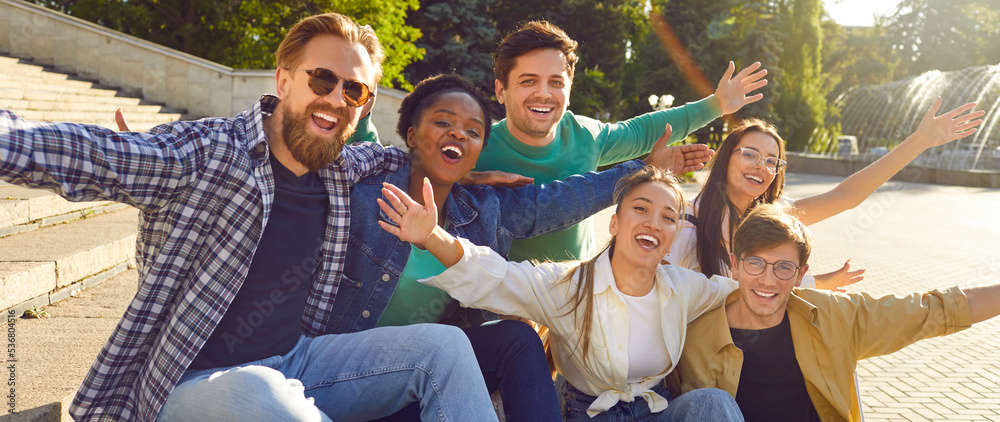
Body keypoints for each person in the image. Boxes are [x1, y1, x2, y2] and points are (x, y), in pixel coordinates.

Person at [0, 13, 499, 421]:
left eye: (354, 91)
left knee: (446, 348)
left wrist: (471, 167)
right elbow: (86, 152)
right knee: (266, 397)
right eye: (322, 79)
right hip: (188, 384)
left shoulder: (340, 168)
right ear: (283, 80)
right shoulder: (208, 152)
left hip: (295, 361)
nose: (335, 99)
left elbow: (415, 155)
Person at [334, 74, 694, 420]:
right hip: (345, 376)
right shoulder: (368, 191)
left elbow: (562, 200)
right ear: (412, 135)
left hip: (423, 385)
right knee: (444, 346)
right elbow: (340, 150)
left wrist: (642, 168)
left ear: (476, 154)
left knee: (517, 339)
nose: (458, 133)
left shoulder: (485, 211)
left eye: (473, 131)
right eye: (443, 123)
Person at [378, 165, 746, 421]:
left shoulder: (685, 288)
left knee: (713, 403)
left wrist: (784, 276)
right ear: (614, 224)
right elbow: (497, 277)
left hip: (658, 411)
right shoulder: (569, 286)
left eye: (669, 217)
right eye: (641, 209)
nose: (654, 222)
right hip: (587, 414)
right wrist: (433, 236)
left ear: (673, 237)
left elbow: (742, 292)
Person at [666, 202, 1000, 421]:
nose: (767, 280)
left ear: (800, 275)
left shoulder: (834, 315)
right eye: (755, 263)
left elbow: (931, 311)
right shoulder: (693, 336)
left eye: (783, 267)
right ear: (735, 267)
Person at [475, 20, 768, 263]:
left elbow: (641, 131)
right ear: (501, 90)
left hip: (572, 292)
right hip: (506, 301)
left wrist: (716, 104)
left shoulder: (585, 134)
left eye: (556, 82)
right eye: (528, 81)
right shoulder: (477, 150)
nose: (544, 93)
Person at [665, 99, 985, 289]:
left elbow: (846, 196)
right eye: (749, 154)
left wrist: (920, 141)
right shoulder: (687, 223)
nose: (760, 166)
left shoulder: (775, 216)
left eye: (772, 161)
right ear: (727, 157)